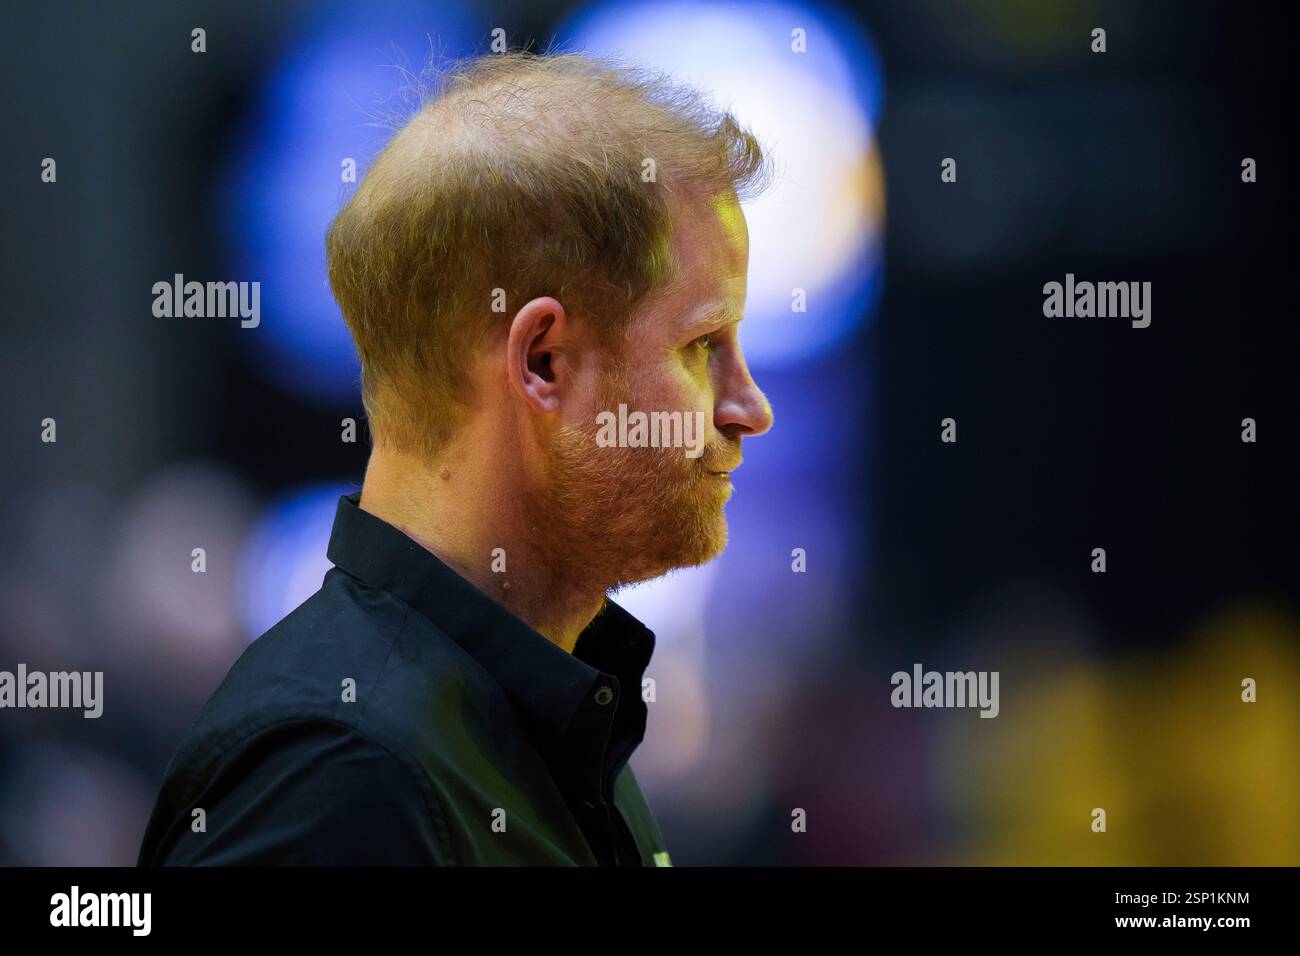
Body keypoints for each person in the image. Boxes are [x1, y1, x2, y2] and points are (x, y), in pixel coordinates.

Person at [138, 50, 774, 866]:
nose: (750, 407)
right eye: (701, 344)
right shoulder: (344, 772)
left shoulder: (540, 716)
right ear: (543, 362)